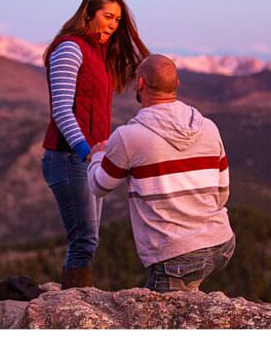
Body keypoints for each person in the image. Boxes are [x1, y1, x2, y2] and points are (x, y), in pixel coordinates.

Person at [87, 54, 235, 292]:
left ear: (141, 84)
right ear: (177, 84)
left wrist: (97, 156)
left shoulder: (128, 136)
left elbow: (98, 186)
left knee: (160, 314)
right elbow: (222, 193)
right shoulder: (209, 127)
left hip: (176, 255)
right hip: (222, 243)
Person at [42, 0, 149, 289]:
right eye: (108, 16)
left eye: (117, 20)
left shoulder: (100, 54)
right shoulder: (69, 48)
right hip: (68, 157)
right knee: (85, 240)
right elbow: (62, 110)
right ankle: (73, 302)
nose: (113, 25)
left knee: (88, 240)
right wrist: (86, 152)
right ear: (88, 13)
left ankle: (73, 296)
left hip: (89, 159)